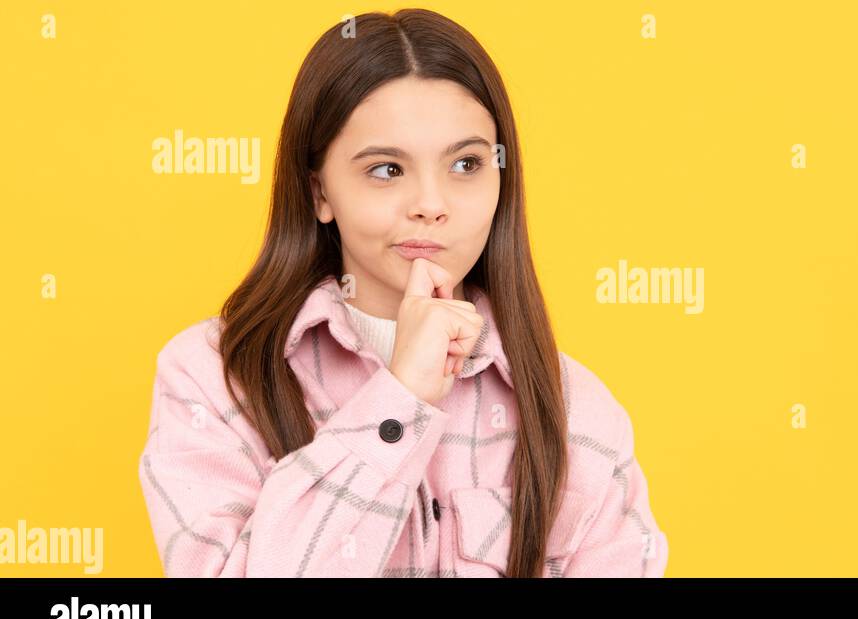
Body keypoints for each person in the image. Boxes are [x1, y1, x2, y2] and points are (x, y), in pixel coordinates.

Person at [138, 8, 667, 578]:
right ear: (320, 192)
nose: (431, 203)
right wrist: (400, 399)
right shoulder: (210, 379)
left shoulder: (574, 412)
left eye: (466, 163)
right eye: (387, 170)